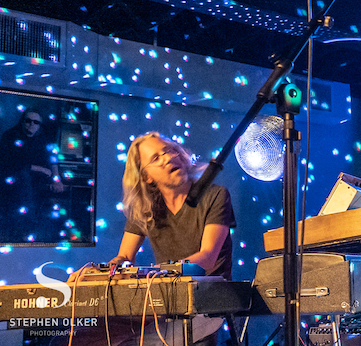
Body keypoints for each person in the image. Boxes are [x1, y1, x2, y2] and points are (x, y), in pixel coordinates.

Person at [62, 133, 235, 346]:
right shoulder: (145, 207)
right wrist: (96, 273)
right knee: (72, 339)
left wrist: (157, 272)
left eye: (170, 150)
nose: (168, 158)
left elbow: (207, 258)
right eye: (156, 158)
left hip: (206, 304)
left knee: (141, 342)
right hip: (159, 303)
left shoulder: (215, 195)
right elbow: (125, 256)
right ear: (146, 177)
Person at [0, 108, 63, 242]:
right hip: (13, 179)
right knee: (24, 178)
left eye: (35, 122)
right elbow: (11, 163)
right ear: (22, 121)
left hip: (37, 181)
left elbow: (53, 160)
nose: (31, 125)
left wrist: (56, 179)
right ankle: (25, 229)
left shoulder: (43, 138)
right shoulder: (10, 136)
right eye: (28, 121)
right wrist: (39, 169)